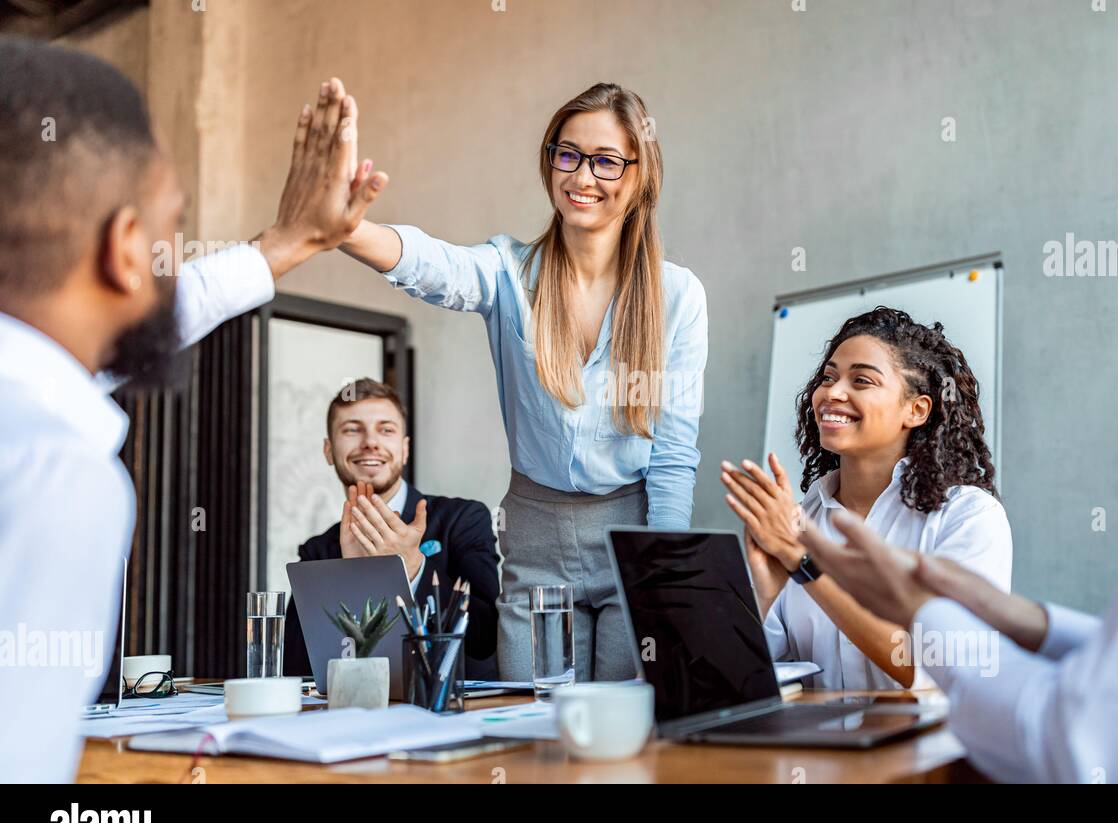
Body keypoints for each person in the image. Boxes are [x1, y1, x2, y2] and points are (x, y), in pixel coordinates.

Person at [797, 9, 1118, 783]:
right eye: (828, 375)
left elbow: (1106, 758)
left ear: (918, 408)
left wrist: (921, 611)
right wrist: (1019, 619)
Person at [0, 36, 385, 782]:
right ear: (124, 248)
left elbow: (118, 333)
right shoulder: (52, 472)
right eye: (172, 230)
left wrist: (287, 242)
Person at [310, 83, 709, 682]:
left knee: (624, 734)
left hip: (633, 530)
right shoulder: (508, 272)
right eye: (566, 154)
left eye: (605, 160)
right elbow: (432, 265)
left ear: (639, 176)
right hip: (535, 539)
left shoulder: (677, 296)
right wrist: (346, 229)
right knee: (532, 731)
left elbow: (675, 455)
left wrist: (663, 576)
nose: (581, 176)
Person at [721, 307, 1010, 690]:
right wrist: (768, 592)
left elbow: (929, 665)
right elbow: (757, 679)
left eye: (862, 380)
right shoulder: (801, 520)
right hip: (814, 747)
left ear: (916, 410)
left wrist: (802, 564)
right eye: (828, 377)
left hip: (927, 749)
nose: (831, 393)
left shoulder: (968, 516)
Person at [282, 379, 500, 679]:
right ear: (329, 451)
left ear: (405, 449)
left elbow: (486, 637)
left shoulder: (462, 520)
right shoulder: (317, 551)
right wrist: (351, 578)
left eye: (386, 429)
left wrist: (413, 569)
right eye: (352, 429)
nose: (370, 442)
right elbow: (295, 668)